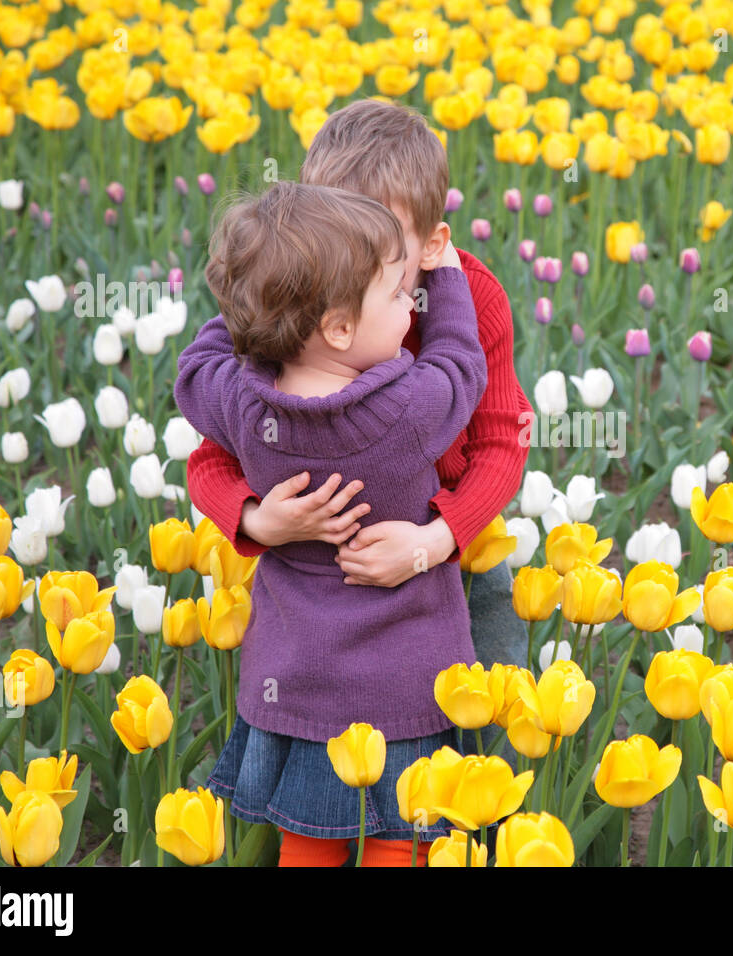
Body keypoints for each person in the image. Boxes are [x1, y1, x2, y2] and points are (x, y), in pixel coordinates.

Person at [184, 99, 531, 781]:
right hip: (317, 561)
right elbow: (213, 455)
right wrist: (261, 520)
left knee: (489, 708)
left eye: (382, 241)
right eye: (336, 228)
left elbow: (500, 441)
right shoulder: (299, 290)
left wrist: (437, 541)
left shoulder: (472, 298)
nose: (349, 257)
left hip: (452, 548)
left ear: (433, 245)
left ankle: (487, 832)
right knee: (317, 736)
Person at [174, 180, 486, 867]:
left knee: (305, 840)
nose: (413, 303)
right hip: (406, 685)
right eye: (400, 294)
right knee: (397, 839)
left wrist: (254, 299)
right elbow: (464, 365)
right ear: (341, 328)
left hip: (297, 684)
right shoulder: (407, 412)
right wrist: (454, 279)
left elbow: (194, 369)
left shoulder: (240, 403)